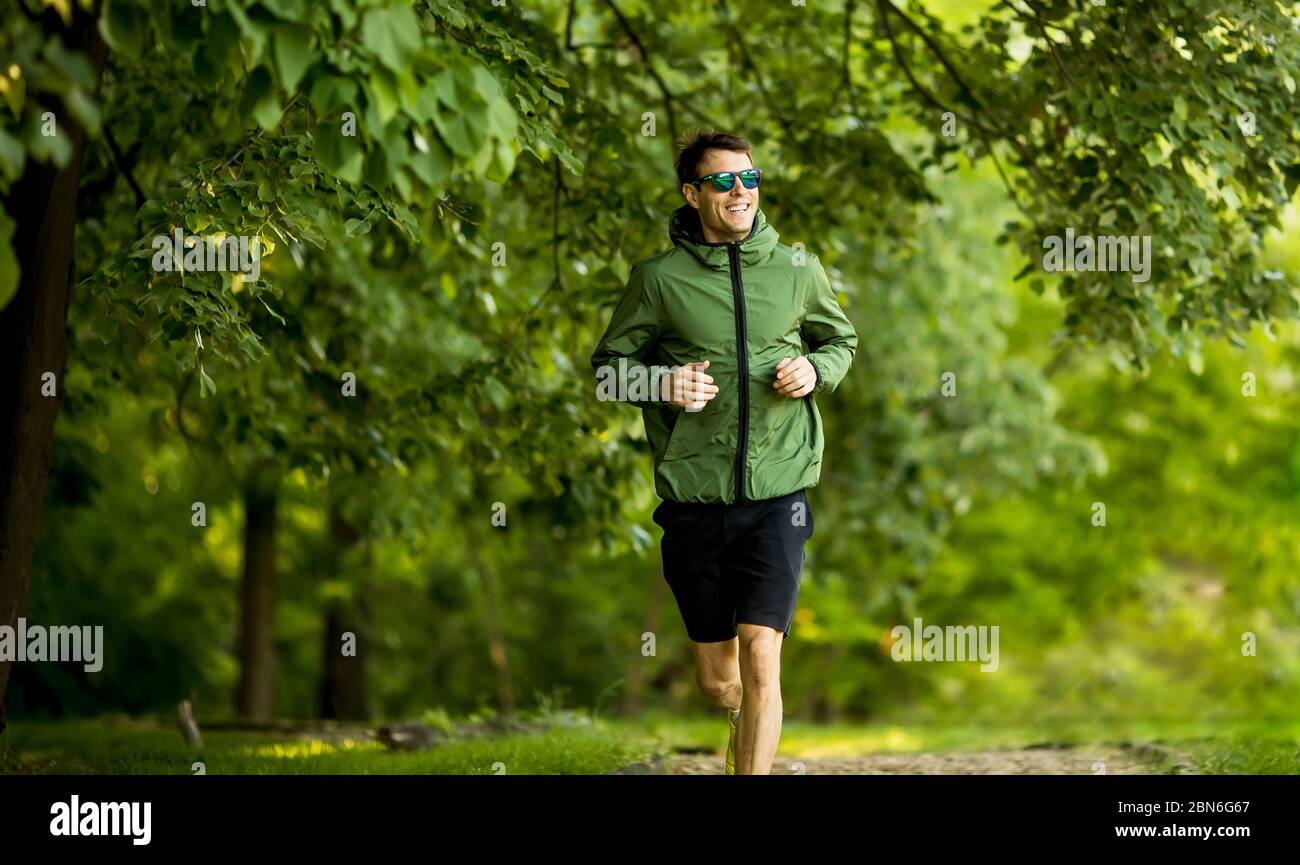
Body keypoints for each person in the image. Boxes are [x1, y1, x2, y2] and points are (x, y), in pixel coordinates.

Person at [590, 129, 857, 774]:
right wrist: (662, 382)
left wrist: (816, 371)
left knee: (763, 647)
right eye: (723, 181)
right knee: (721, 680)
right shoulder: (658, 280)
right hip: (694, 499)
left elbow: (840, 341)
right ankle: (733, 715)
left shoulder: (798, 268)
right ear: (693, 193)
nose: (741, 192)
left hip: (779, 492)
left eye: (750, 179)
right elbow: (606, 371)